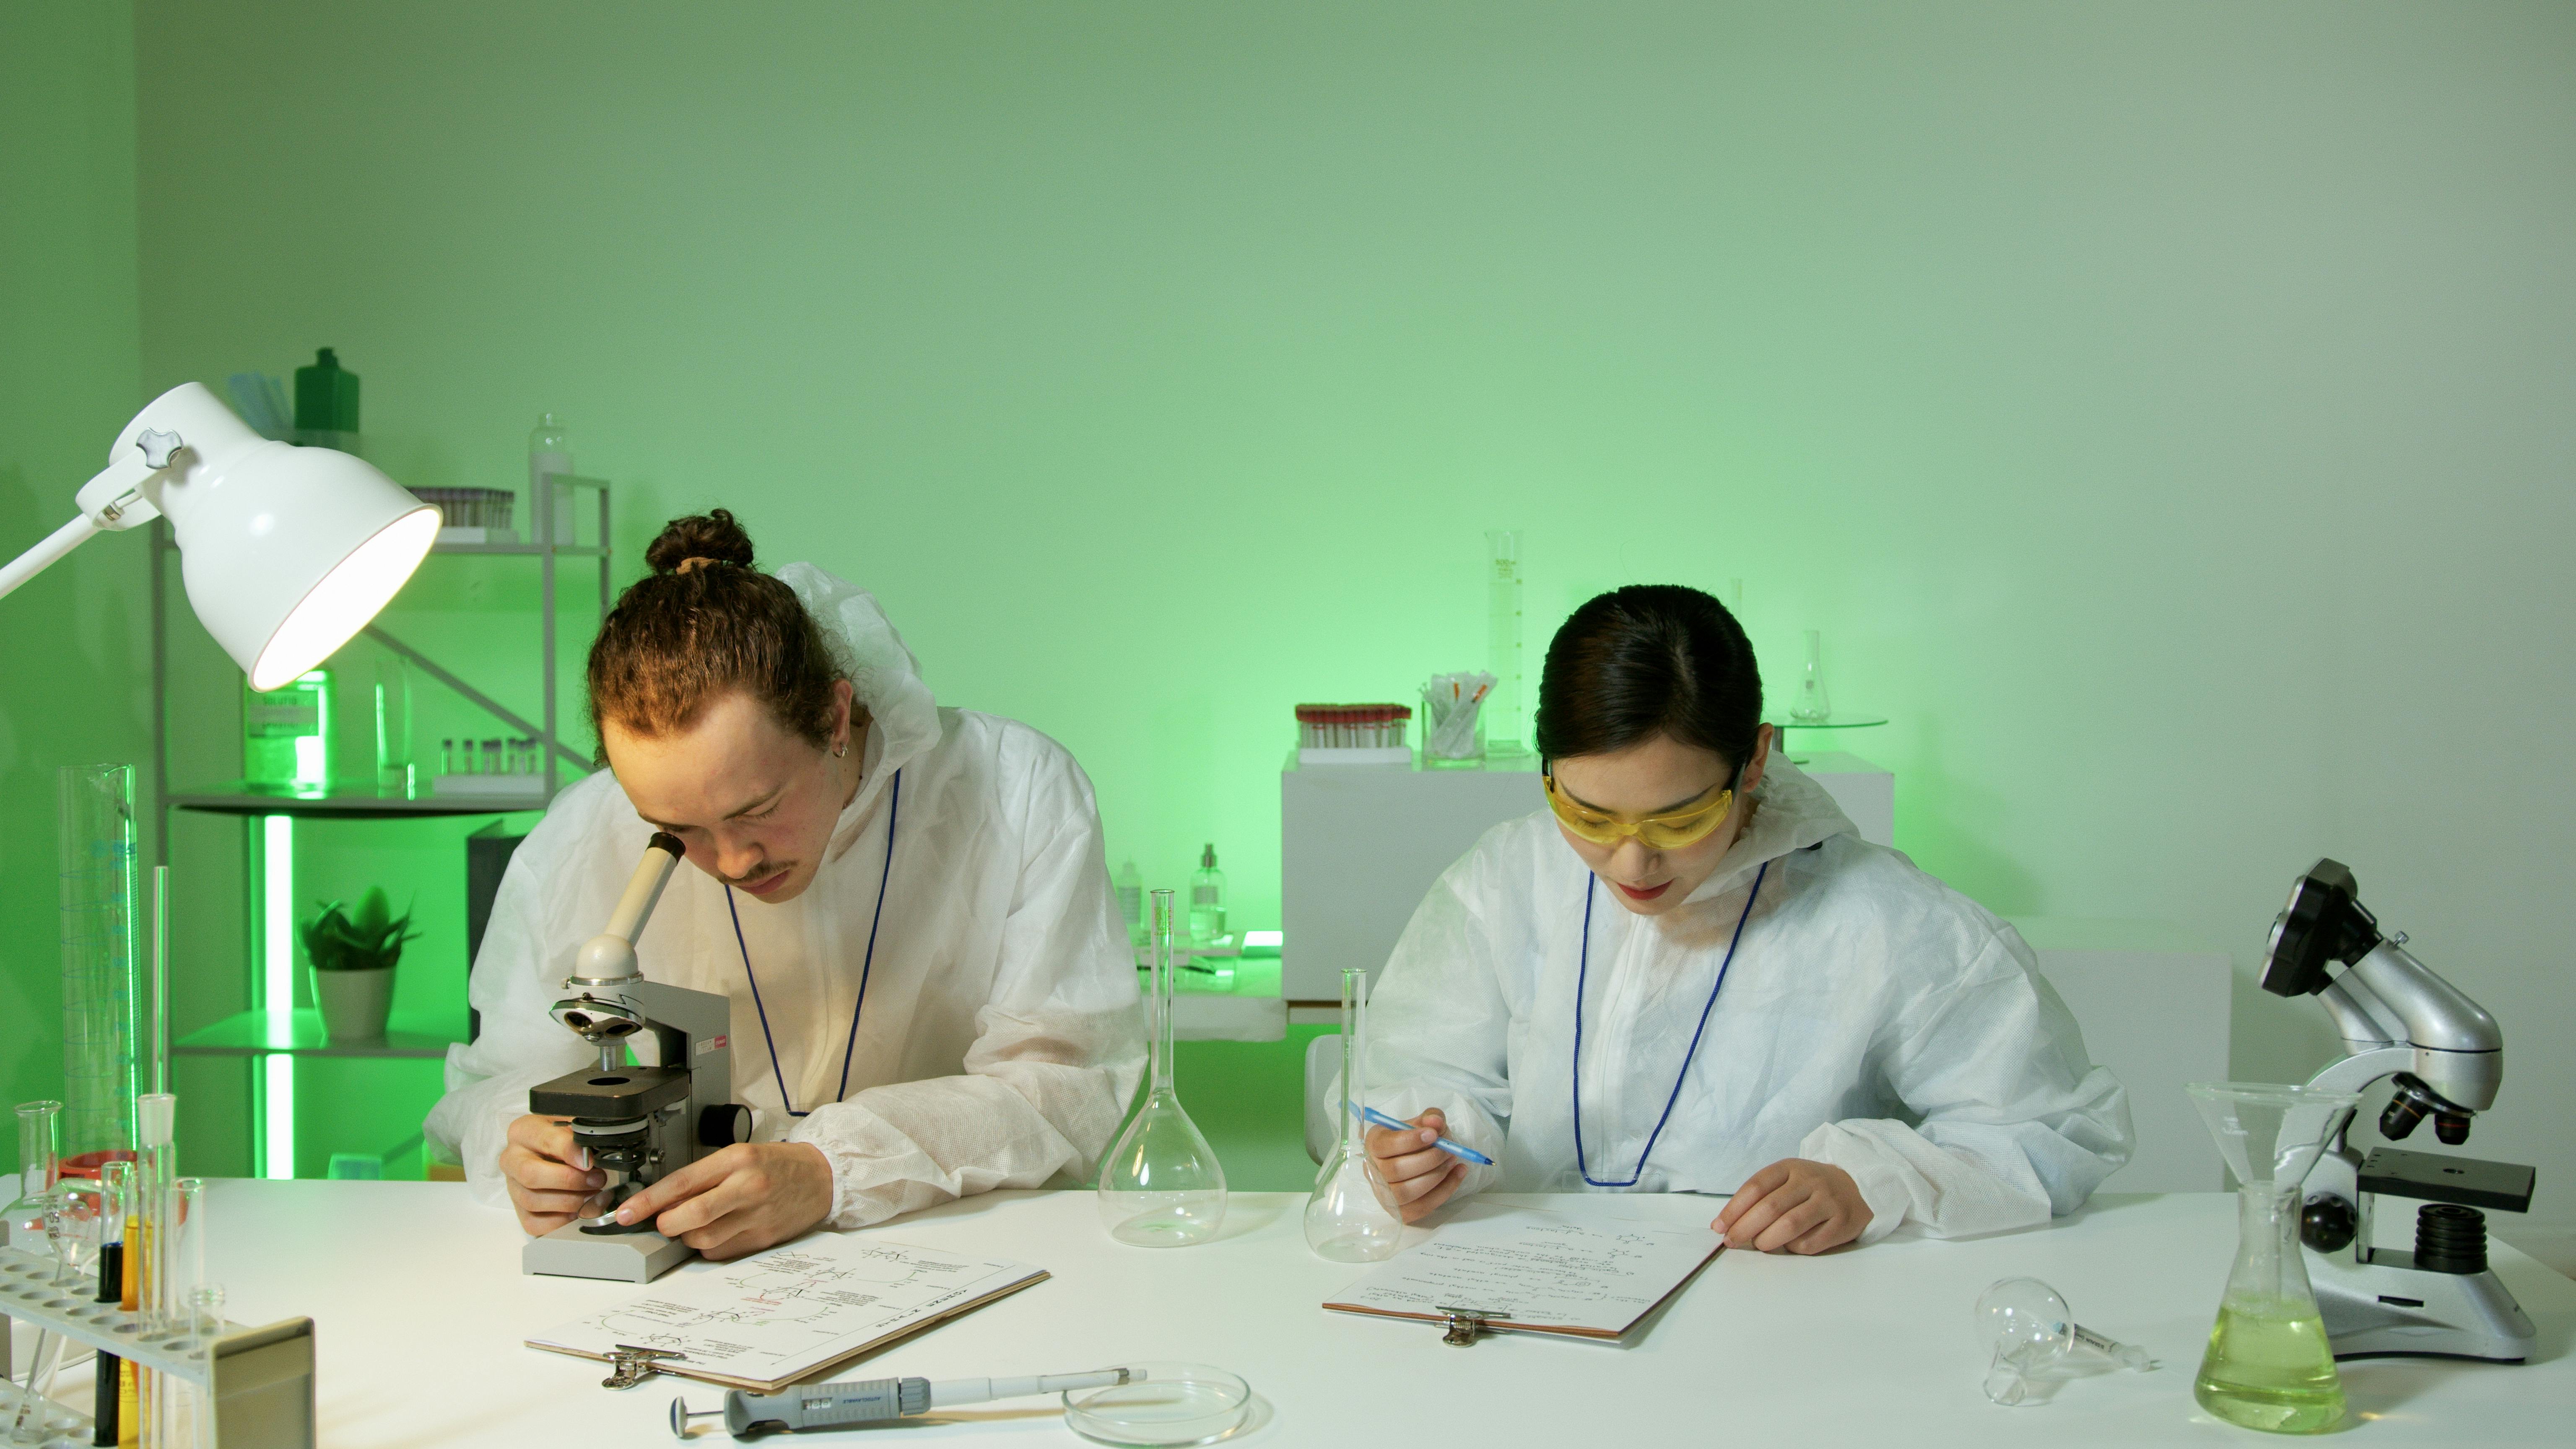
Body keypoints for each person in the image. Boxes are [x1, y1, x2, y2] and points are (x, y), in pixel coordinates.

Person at [425, 510, 1143, 1260]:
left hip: (953, 1251)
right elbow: (497, 1078)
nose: (734, 861)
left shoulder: (1016, 789)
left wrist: (836, 1169)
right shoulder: (583, 833)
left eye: (758, 810)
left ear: (835, 718)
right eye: (680, 830)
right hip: (701, 1264)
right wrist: (528, 1146)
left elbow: (1068, 1086)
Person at [1361, 585, 2132, 1254]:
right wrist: (1429, 1150)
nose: (1632, 864)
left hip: (1777, 1315)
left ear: (1756, 760)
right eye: (1589, 815)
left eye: (1680, 818)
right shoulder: (1508, 878)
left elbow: (2052, 1133)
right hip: (1529, 1293)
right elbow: (1421, 1071)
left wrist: (1869, 1187)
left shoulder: (1886, 920)